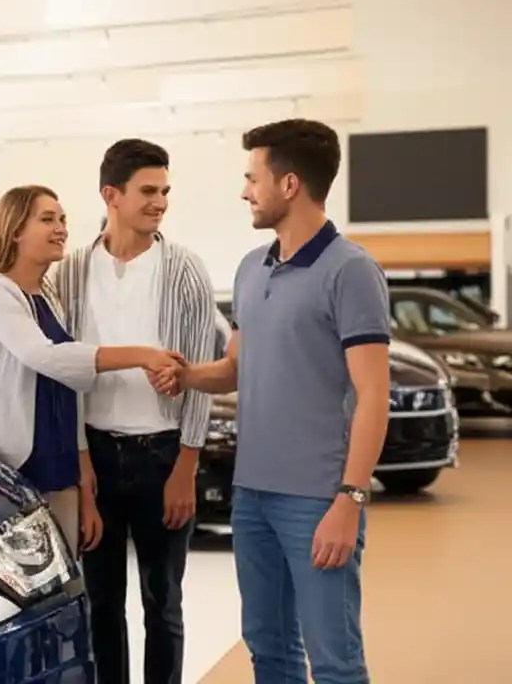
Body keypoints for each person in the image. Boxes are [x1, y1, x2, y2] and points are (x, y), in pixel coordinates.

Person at [166, 118, 390, 683]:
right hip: (253, 495)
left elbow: (374, 395)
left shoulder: (351, 271)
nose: (245, 191)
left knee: (335, 660)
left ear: (289, 185)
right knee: (268, 649)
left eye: (252, 178)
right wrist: (186, 374)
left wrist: (350, 500)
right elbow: (236, 369)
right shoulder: (249, 269)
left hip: (318, 498)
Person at [47, 139, 217, 684]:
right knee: (100, 603)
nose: (160, 201)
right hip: (94, 452)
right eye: (148, 191)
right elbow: (65, 377)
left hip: (163, 455)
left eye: (165, 191)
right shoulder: (69, 273)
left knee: (162, 603)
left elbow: (198, 378)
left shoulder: (185, 270)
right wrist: (82, 468)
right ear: (111, 195)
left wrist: (185, 469)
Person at [0, 184, 183, 555]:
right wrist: (142, 355)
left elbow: (72, 388)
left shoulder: (50, 296)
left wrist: (84, 481)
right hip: (14, 469)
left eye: (63, 219)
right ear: (16, 229)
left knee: (67, 585)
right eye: (47, 219)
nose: (61, 228)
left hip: (61, 466)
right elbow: (46, 356)